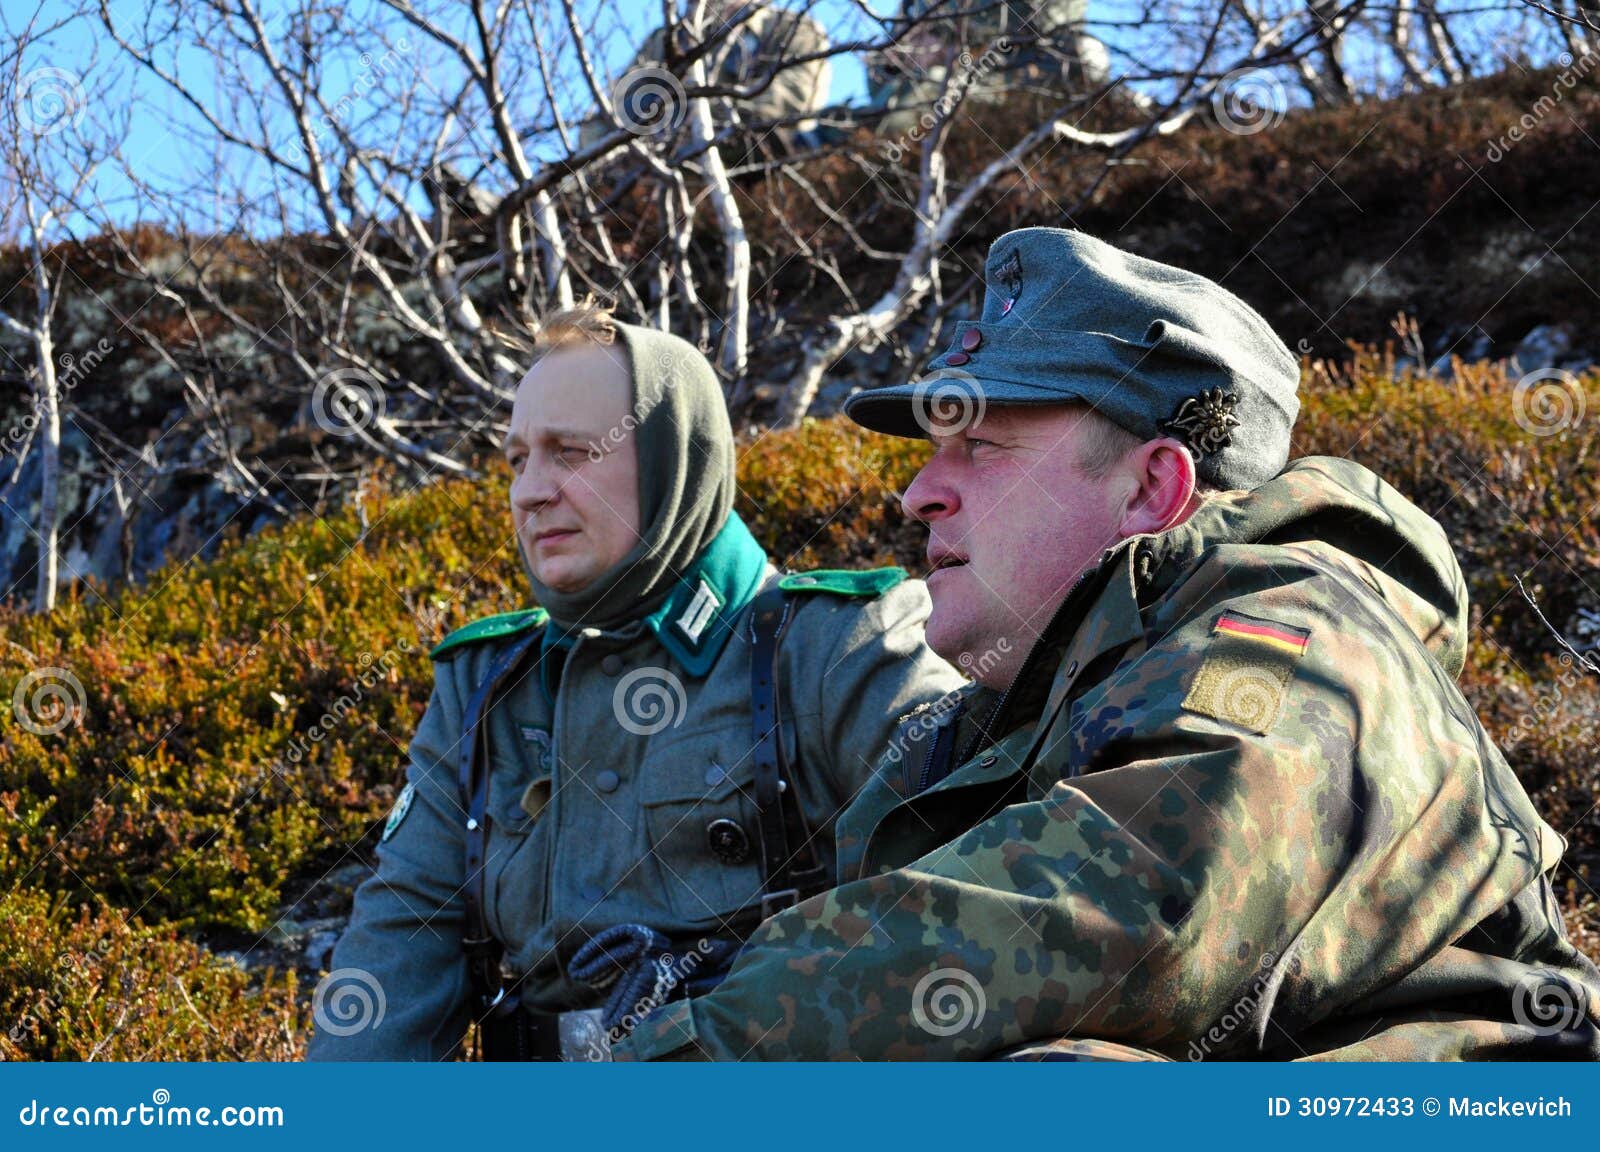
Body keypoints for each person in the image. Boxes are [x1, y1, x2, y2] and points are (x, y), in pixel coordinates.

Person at [615, 227, 1600, 1060]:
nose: (919, 493)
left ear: (1151, 491)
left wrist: (686, 1060)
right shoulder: (988, 727)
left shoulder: (1298, 635)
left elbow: (1139, 905)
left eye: (981, 446)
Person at [306, 303, 964, 1061]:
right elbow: (397, 950)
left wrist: (731, 1008)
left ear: (671, 457)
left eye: (570, 452)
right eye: (518, 459)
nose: (529, 492)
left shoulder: (834, 644)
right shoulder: (485, 686)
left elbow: (972, 903)